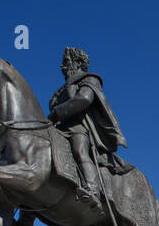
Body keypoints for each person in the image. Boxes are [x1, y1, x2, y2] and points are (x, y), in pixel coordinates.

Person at [47, 46, 133, 208]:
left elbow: (83, 100)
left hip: (78, 128)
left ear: (78, 63)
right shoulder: (60, 91)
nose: (62, 66)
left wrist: (57, 112)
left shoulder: (89, 79)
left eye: (66, 62)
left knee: (79, 150)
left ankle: (92, 190)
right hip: (58, 128)